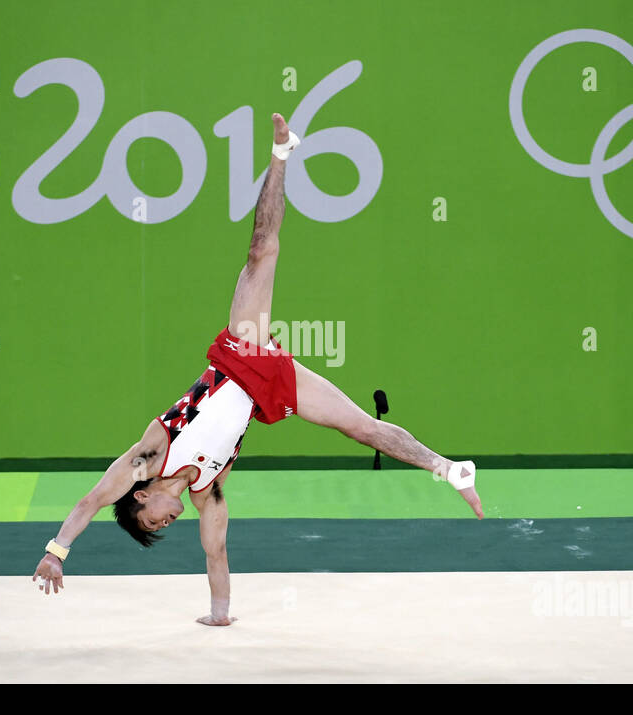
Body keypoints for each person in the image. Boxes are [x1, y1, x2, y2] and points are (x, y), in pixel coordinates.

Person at [32, 113, 483, 625]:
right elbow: (216, 555)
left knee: (261, 251)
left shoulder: (148, 456)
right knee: (363, 429)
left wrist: (56, 551)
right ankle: (451, 469)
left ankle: (282, 152)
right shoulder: (209, 493)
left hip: (240, 355)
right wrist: (219, 614)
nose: (162, 524)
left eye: (152, 522)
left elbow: (91, 500)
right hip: (269, 387)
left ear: (141, 497)